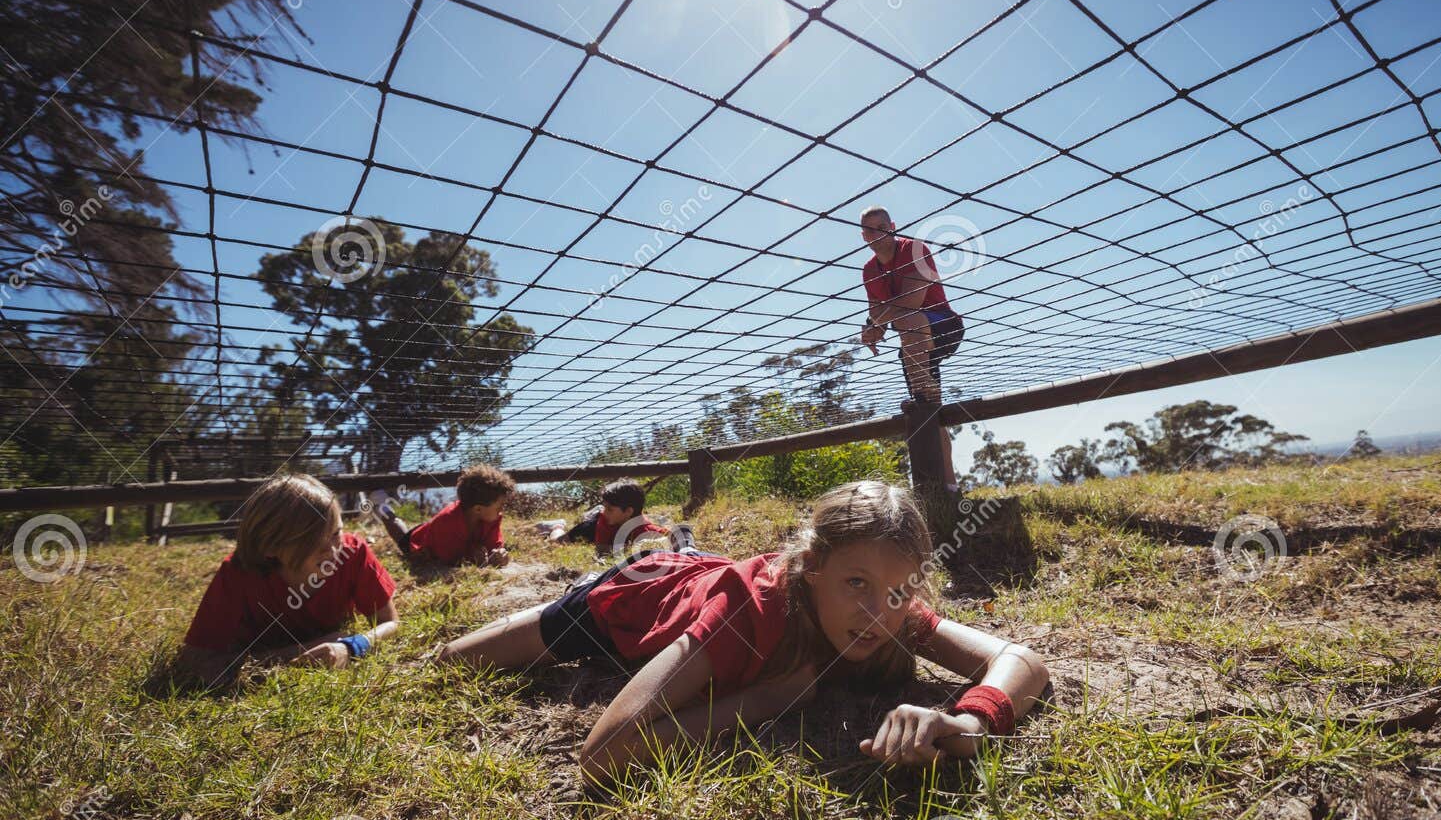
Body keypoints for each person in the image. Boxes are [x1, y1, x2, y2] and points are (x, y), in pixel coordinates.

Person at [440, 480, 1048, 784]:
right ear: (814, 570)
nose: (875, 613)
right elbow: (601, 756)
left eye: (896, 590)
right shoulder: (749, 614)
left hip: (699, 579)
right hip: (627, 601)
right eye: (855, 584)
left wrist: (970, 722)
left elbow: (1022, 661)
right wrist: (759, 701)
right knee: (459, 658)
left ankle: (688, 546)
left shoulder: (889, 609)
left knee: (696, 562)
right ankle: (669, 552)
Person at [178, 474, 398, 688]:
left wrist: (352, 646)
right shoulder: (237, 574)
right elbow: (195, 658)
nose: (332, 551)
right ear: (270, 547)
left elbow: (390, 622)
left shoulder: (353, 553)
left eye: (335, 533)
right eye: (313, 541)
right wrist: (296, 652)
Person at [857, 205, 963, 490]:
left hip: (943, 327)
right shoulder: (869, 271)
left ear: (892, 226)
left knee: (908, 318)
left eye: (881, 227)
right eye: (870, 229)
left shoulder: (916, 250)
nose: (877, 234)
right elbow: (876, 316)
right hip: (912, 345)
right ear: (864, 236)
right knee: (928, 410)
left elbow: (910, 304)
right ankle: (949, 489)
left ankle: (923, 394)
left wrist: (879, 320)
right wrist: (870, 331)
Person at [371, 464, 513, 567]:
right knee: (399, 532)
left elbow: (493, 546)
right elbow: (447, 559)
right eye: (499, 506)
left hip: (434, 531)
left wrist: (499, 554)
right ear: (478, 509)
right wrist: (474, 556)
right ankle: (382, 506)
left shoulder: (492, 518)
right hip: (419, 542)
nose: (502, 510)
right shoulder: (447, 522)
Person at [533, 478, 680, 554]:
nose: (605, 511)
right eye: (605, 507)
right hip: (594, 527)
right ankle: (556, 526)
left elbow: (672, 539)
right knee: (558, 542)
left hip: (616, 531)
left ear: (628, 511)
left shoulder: (647, 530)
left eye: (610, 508)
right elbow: (601, 551)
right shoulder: (604, 517)